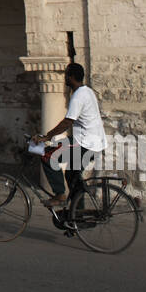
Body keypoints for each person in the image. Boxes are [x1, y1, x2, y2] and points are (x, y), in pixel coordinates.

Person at [32, 63, 107, 210]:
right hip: (95, 142)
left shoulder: (78, 96)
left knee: (48, 156)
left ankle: (60, 195)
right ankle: (77, 217)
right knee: (72, 176)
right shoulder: (87, 91)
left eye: (66, 75)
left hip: (86, 143)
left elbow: (67, 122)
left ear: (71, 77)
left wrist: (47, 137)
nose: (65, 78)